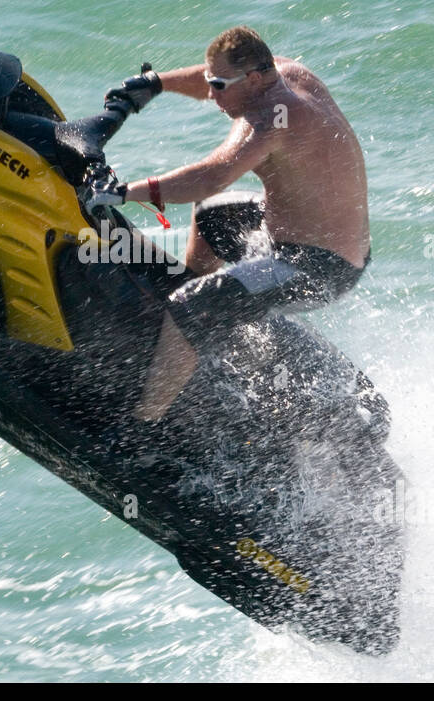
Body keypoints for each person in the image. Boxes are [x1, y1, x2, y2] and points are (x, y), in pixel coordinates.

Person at [90, 26, 372, 422]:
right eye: (211, 82)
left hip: (319, 267)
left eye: (219, 86)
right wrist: (155, 84)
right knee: (211, 216)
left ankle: (146, 420)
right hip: (284, 233)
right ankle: (187, 320)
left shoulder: (272, 120)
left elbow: (209, 176)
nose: (211, 94)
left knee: (192, 306)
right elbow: (203, 81)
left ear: (255, 78)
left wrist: (121, 192)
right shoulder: (284, 73)